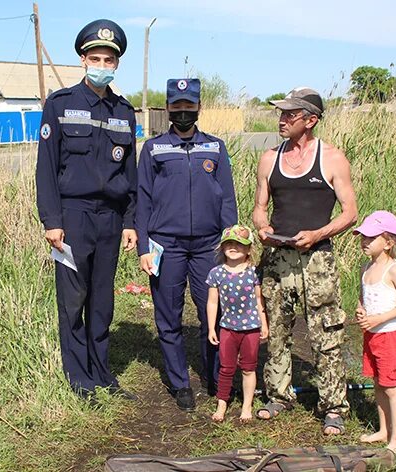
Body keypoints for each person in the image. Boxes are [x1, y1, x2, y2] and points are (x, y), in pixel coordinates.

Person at [35, 19, 138, 400]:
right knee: (73, 299)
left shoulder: (124, 112)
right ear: (83, 60)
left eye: (108, 59)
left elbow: (131, 172)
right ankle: (79, 379)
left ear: (116, 65)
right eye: (95, 57)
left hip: (110, 219)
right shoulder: (60, 105)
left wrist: (130, 221)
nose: (101, 64)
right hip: (72, 218)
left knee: (102, 300)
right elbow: (45, 167)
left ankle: (102, 373)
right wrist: (52, 221)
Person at [252, 87, 358, 435]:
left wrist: (317, 234)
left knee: (326, 331)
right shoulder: (269, 158)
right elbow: (259, 207)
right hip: (277, 257)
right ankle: (278, 395)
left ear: (311, 120)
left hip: (317, 260)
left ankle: (333, 406)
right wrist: (262, 228)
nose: (282, 120)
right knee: (278, 329)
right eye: (280, 114)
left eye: (290, 115)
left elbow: (350, 213)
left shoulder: (332, 158)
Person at [136, 78, 237, 411]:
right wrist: (144, 248)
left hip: (209, 245)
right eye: (176, 106)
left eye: (188, 106)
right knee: (169, 315)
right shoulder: (153, 148)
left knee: (214, 313)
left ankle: (214, 377)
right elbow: (143, 202)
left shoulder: (215, 147)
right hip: (167, 245)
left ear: (198, 108)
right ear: (167, 108)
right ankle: (180, 383)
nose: (182, 112)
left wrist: (230, 245)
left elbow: (227, 201)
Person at [353, 211, 396, 455]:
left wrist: (379, 318)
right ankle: (383, 430)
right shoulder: (365, 267)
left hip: (389, 336)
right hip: (372, 335)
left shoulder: (392, 269)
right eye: (362, 237)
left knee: (391, 387)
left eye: (371, 237)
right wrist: (360, 310)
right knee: (378, 383)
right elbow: (363, 297)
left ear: (388, 242)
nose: (364, 242)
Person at [206, 225, 268, 422]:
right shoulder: (216, 273)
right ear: (222, 247)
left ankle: (247, 406)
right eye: (229, 244)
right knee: (226, 368)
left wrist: (264, 324)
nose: (233, 247)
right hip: (227, 328)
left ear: (249, 249)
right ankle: (221, 404)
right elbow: (212, 302)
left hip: (251, 329)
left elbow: (259, 301)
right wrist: (211, 328)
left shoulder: (253, 273)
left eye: (239, 244)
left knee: (249, 368)